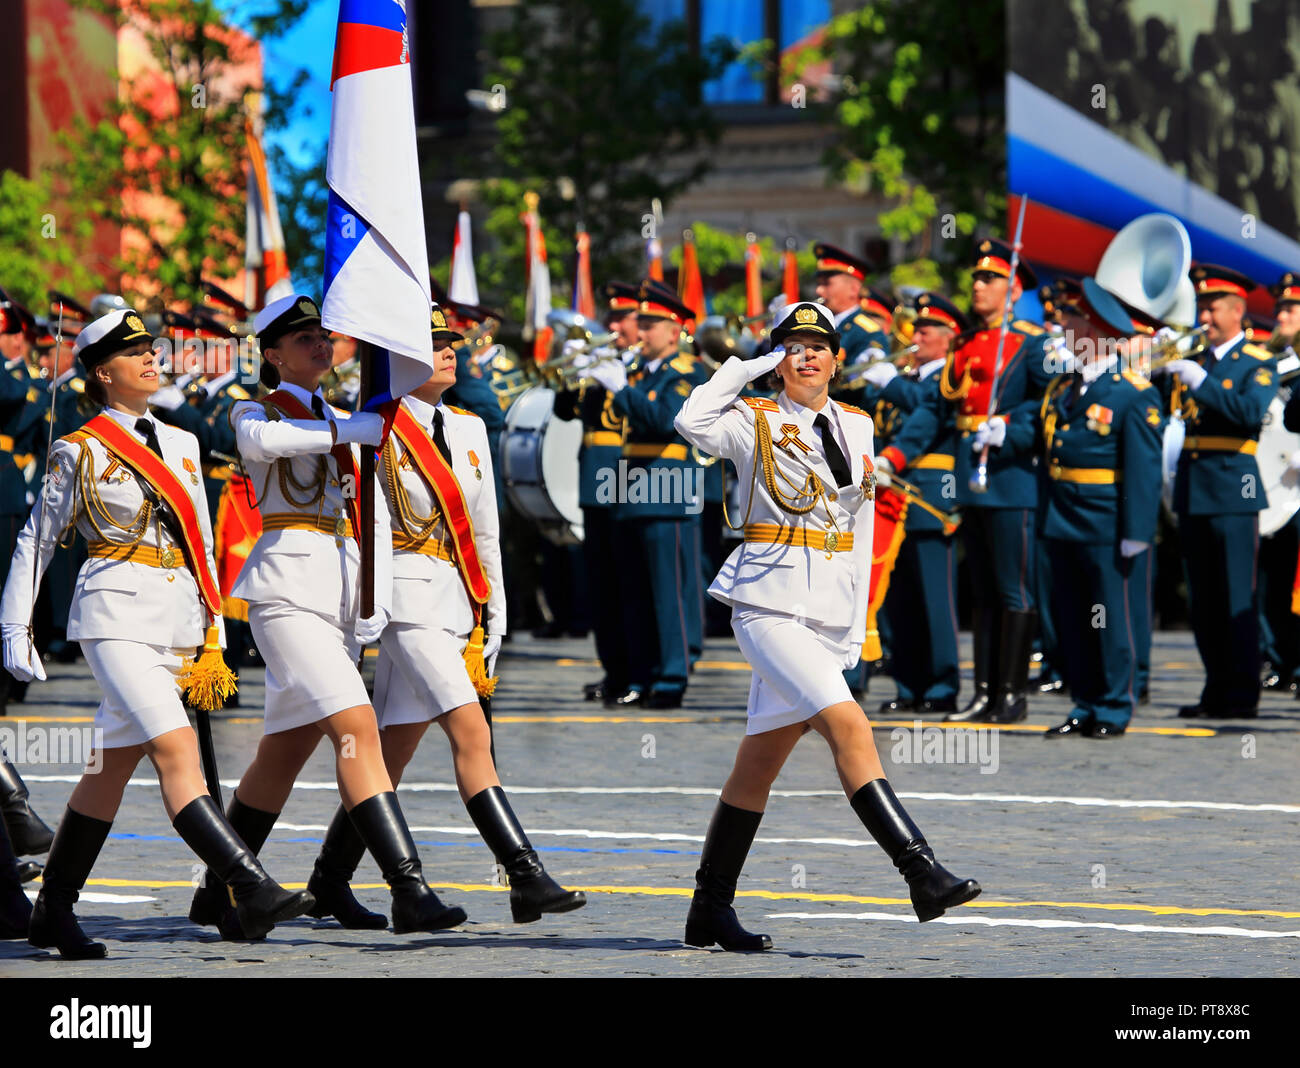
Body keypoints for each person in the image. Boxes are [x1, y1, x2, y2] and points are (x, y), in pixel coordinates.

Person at [0, 307, 314, 958]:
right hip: (113, 617)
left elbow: (199, 539)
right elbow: (36, 541)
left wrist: (213, 638)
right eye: (132, 352)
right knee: (177, 751)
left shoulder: (182, 444)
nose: (151, 358)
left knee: (108, 768)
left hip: (176, 621)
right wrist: (14, 628)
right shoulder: (79, 449)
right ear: (102, 375)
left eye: (150, 348)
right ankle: (247, 884)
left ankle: (52, 911)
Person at [672, 301, 980, 951]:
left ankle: (708, 909)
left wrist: (854, 625)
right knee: (850, 725)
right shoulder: (749, 420)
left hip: (826, 612)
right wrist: (747, 366)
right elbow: (688, 418)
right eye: (792, 346)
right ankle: (919, 870)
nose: (805, 355)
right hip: (767, 603)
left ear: (838, 360)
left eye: (817, 346)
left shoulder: (859, 425)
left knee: (756, 767)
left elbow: (859, 528)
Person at [187, 293, 467, 939]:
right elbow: (262, 443)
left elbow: (371, 510)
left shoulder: (346, 414)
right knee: (357, 725)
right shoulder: (257, 408)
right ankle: (408, 887)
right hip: (285, 592)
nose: (319, 344)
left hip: (339, 594)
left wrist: (377, 596)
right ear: (273, 353)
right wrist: (349, 430)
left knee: (280, 757)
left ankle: (219, 891)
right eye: (303, 337)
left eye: (323, 334)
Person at [304, 303, 585, 928]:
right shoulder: (374, 425)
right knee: (471, 728)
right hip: (402, 598)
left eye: (450, 341)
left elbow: (487, 530)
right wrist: (370, 601)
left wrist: (497, 611)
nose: (449, 350)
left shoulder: (467, 428)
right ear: (397, 358)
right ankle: (525, 876)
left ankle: (328, 881)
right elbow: (366, 523)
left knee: (394, 750)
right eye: (432, 343)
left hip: (454, 597)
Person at [1032, 279, 1163, 738]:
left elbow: (1143, 471)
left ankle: (1112, 705)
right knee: (1074, 618)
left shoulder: (1132, 392)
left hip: (1108, 521)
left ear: (1094, 330)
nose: (1063, 327)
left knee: (1110, 618)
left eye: (1071, 320)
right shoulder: (1063, 388)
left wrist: (1138, 530)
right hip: (1063, 517)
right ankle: (1084, 702)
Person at [937, 239, 1050, 725]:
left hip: (1010, 477)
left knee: (1014, 590)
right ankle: (982, 694)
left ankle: (1012, 694)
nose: (978, 286)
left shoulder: (1033, 341)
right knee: (981, 591)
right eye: (976, 278)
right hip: (970, 476)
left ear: (1014, 287)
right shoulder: (964, 343)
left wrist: (1012, 428)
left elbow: (1046, 406)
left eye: (990, 279)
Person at [1157, 266, 1277, 719]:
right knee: (1203, 599)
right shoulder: (1198, 359)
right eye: (1202, 307)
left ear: (1237, 312)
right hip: (1194, 486)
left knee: (1235, 595)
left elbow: (1249, 413)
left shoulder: (1256, 362)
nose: (1204, 315)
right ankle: (1215, 687)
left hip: (1233, 489)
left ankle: (1242, 694)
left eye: (1213, 308)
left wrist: (1201, 383)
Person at [586, 281, 701, 709]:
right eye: (644, 323)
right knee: (635, 595)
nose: (645, 331)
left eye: (654, 324)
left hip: (668, 493)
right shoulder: (639, 373)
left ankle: (672, 676)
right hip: (632, 492)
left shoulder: (686, 374)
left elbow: (664, 421)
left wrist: (622, 389)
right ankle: (643, 673)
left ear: (675, 330)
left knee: (669, 594)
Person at [863, 292, 967, 715]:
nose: (915, 335)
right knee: (901, 595)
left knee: (934, 598)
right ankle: (909, 684)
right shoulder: (911, 378)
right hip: (892, 492)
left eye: (926, 331)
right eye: (916, 329)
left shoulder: (948, 376)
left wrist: (892, 383)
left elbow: (930, 415)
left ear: (948, 339)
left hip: (928, 493)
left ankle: (941, 686)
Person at [553, 282, 640, 703]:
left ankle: (638, 672)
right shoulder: (598, 362)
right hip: (594, 481)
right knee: (603, 584)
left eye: (624, 319)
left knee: (630, 583)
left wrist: (621, 381)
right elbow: (564, 412)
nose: (614, 326)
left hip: (629, 479)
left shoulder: (642, 365)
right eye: (612, 318)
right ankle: (613, 669)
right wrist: (573, 371)